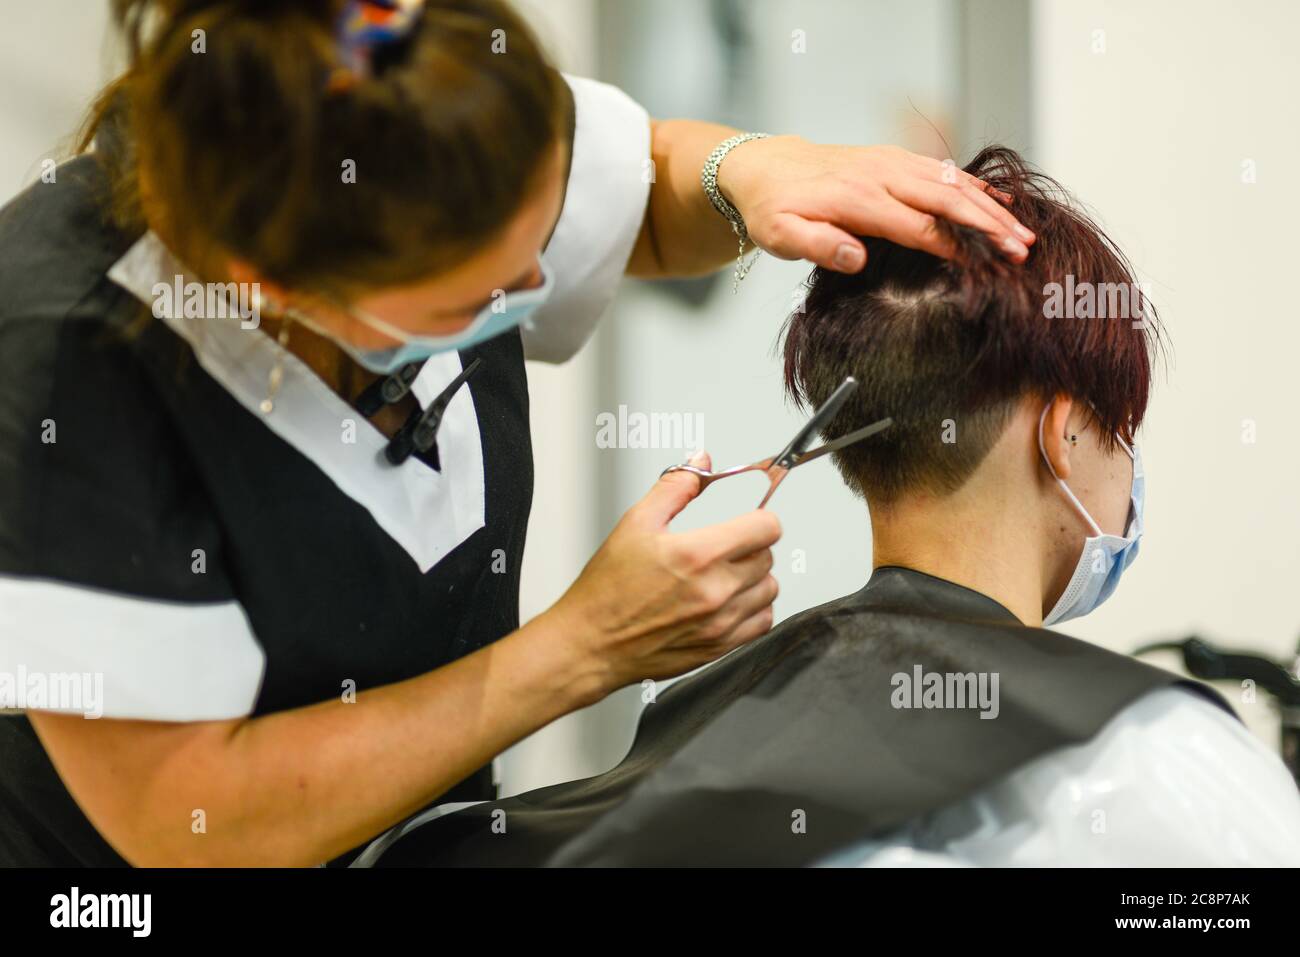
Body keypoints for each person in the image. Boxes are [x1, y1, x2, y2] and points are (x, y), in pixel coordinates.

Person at [0, 0, 1035, 867]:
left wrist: (743, 172)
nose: (537, 288)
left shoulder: (428, 101)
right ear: (275, 288)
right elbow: (182, 817)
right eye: (483, 296)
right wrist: (581, 649)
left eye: (542, 238)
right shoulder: (64, 361)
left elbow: (646, 202)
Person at [361, 146, 1300, 867]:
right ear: (1062, 432)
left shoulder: (632, 760)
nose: (1127, 466)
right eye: (1118, 428)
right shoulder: (1155, 761)